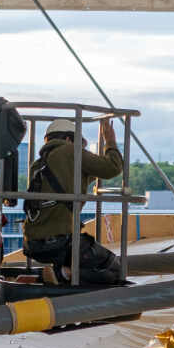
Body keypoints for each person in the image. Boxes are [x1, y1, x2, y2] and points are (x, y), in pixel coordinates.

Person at [21, 117, 127, 285]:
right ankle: (62, 273)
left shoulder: (38, 165)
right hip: (61, 242)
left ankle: (41, 278)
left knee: (83, 267)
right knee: (114, 269)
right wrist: (110, 141)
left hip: (33, 243)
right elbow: (112, 167)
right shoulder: (70, 151)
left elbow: (78, 177)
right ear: (69, 140)